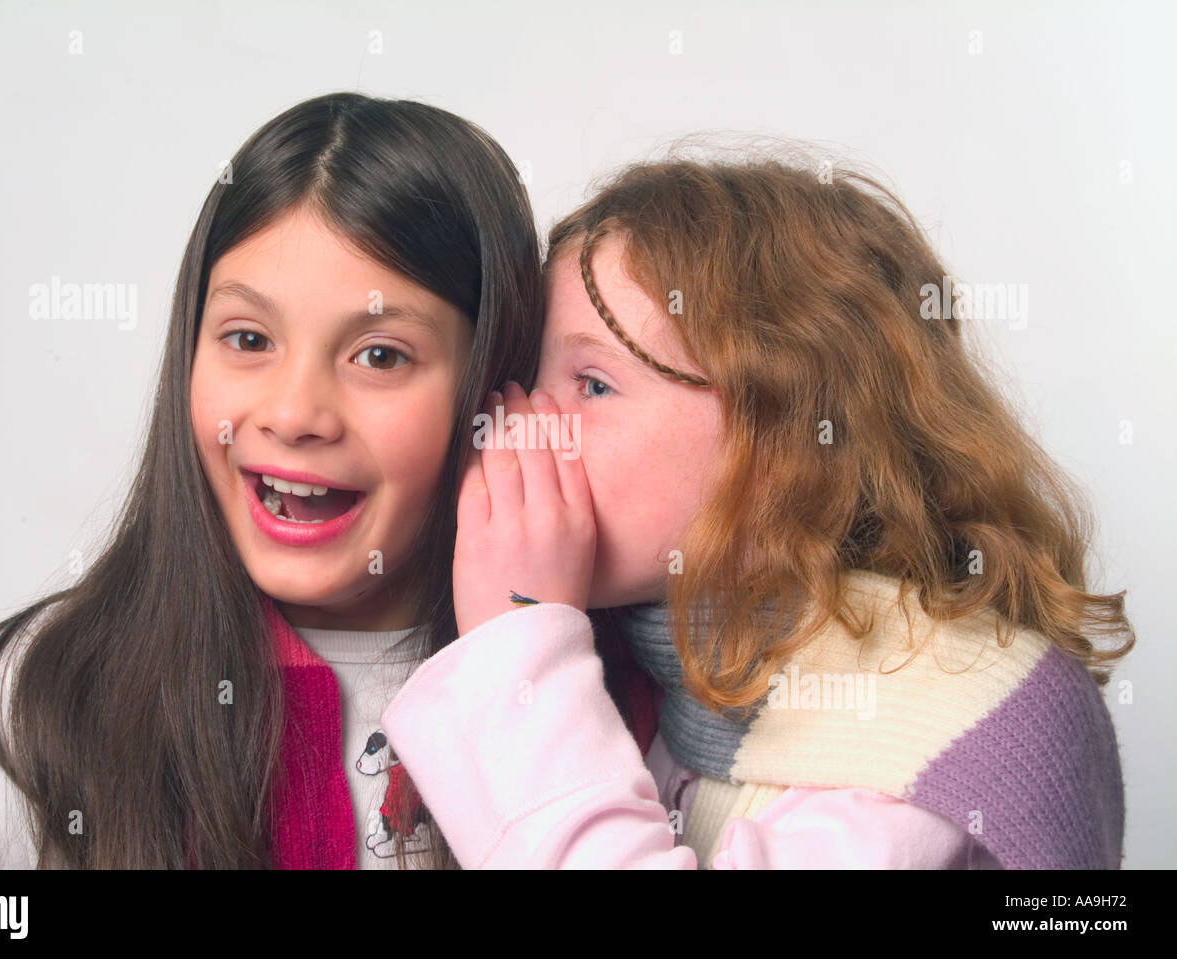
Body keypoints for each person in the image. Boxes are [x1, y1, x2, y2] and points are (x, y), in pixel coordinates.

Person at [381, 154, 1135, 868]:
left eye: (593, 384)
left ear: (785, 449)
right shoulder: (667, 686)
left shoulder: (929, 739)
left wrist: (517, 641)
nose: (522, 419)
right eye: (525, 373)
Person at [0, 92, 542, 870]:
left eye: (381, 355)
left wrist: (527, 650)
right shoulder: (43, 691)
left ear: (495, 387)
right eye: (249, 338)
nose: (295, 413)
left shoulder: (570, 696)